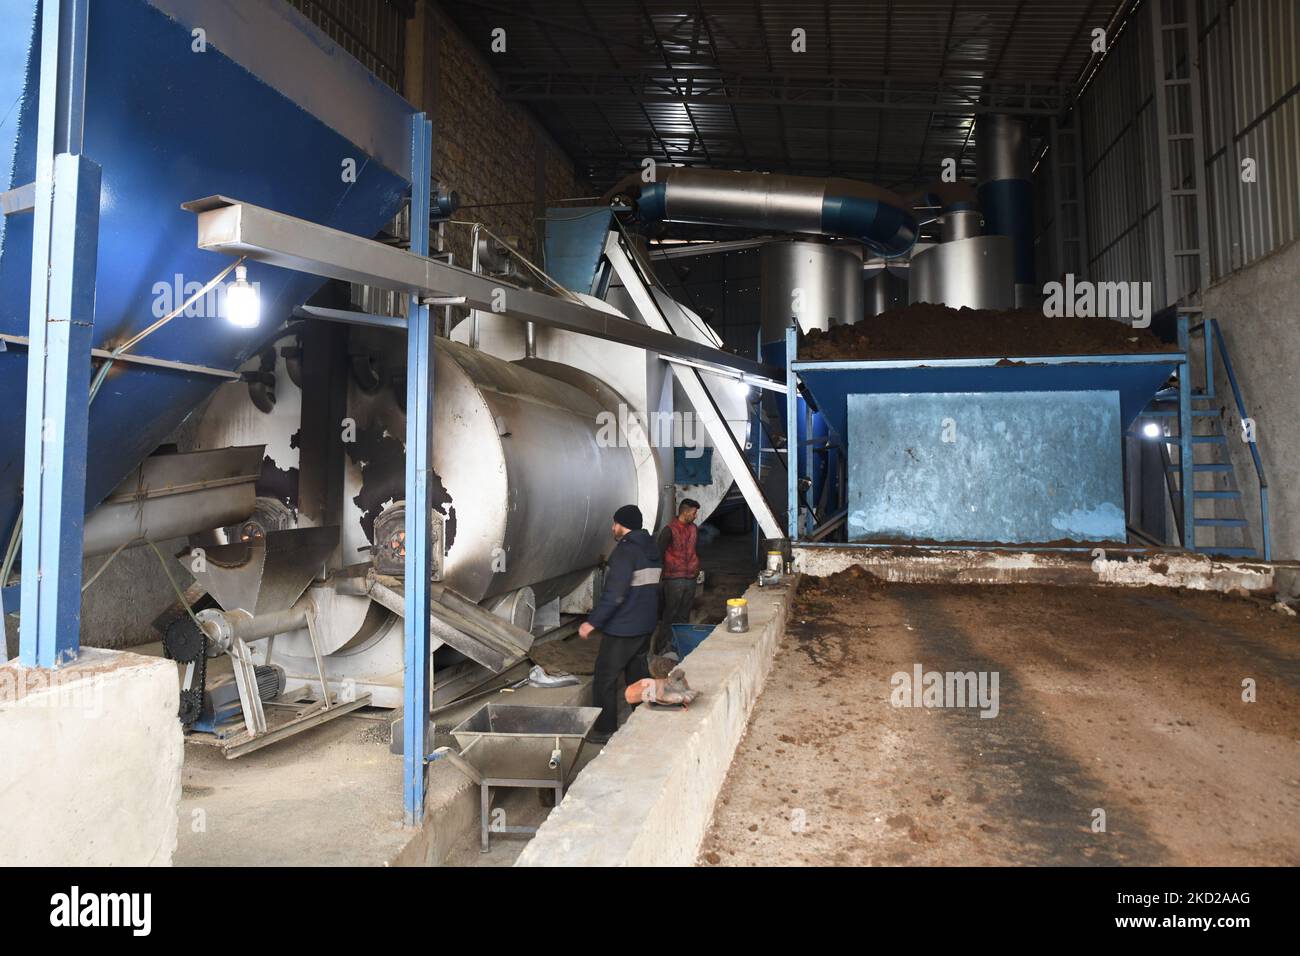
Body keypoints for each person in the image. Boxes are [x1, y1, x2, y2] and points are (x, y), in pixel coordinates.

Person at [579, 504, 662, 743]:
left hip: (624, 627)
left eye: (614, 523)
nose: (612, 527)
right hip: (645, 625)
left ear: (622, 524)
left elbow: (615, 594)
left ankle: (605, 730)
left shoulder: (625, 552)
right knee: (637, 674)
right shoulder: (650, 548)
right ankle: (644, 720)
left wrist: (592, 623)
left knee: (605, 678)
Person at [655, 498, 700, 655]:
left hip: (690, 578)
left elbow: (695, 550)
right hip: (674, 579)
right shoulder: (669, 530)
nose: (695, 516)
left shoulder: (694, 528)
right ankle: (661, 649)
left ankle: (679, 647)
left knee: (684, 615)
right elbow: (658, 554)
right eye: (694, 513)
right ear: (685, 512)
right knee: (670, 615)